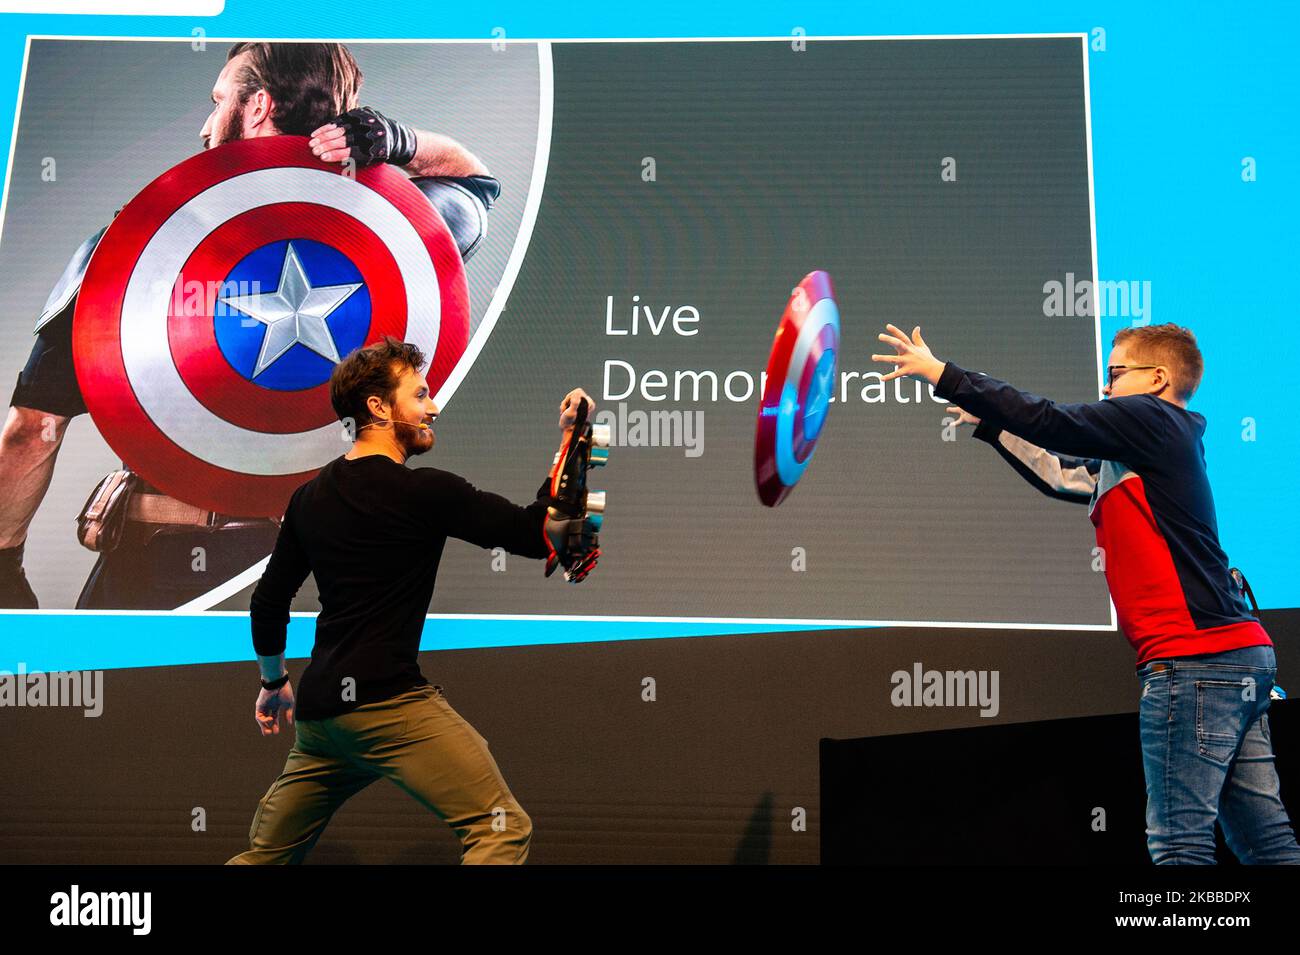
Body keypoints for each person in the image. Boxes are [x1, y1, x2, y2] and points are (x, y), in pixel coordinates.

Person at [0, 40, 500, 609]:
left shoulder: (134, 251)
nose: (206, 124)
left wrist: (3, 567)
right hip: (334, 577)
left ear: (258, 106)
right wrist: (397, 141)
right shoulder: (404, 234)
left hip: (166, 568)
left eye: (219, 100)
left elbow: (33, 430)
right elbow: (476, 182)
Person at [873, 320, 1300, 865]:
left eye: (1115, 374)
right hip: (1237, 656)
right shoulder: (1150, 445)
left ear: (1158, 379)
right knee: (1265, 840)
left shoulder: (1152, 418)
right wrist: (994, 425)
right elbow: (1062, 474)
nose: (1106, 387)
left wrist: (943, 374)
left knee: (1179, 842)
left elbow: (1053, 421)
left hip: (1193, 659)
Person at [227, 336, 599, 864]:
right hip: (387, 708)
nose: (434, 407)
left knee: (263, 858)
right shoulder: (425, 493)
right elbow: (538, 533)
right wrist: (571, 441)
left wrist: (273, 682)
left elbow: (267, 603)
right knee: (501, 829)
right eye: (420, 395)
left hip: (321, 721)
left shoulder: (308, 498)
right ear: (378, 408)